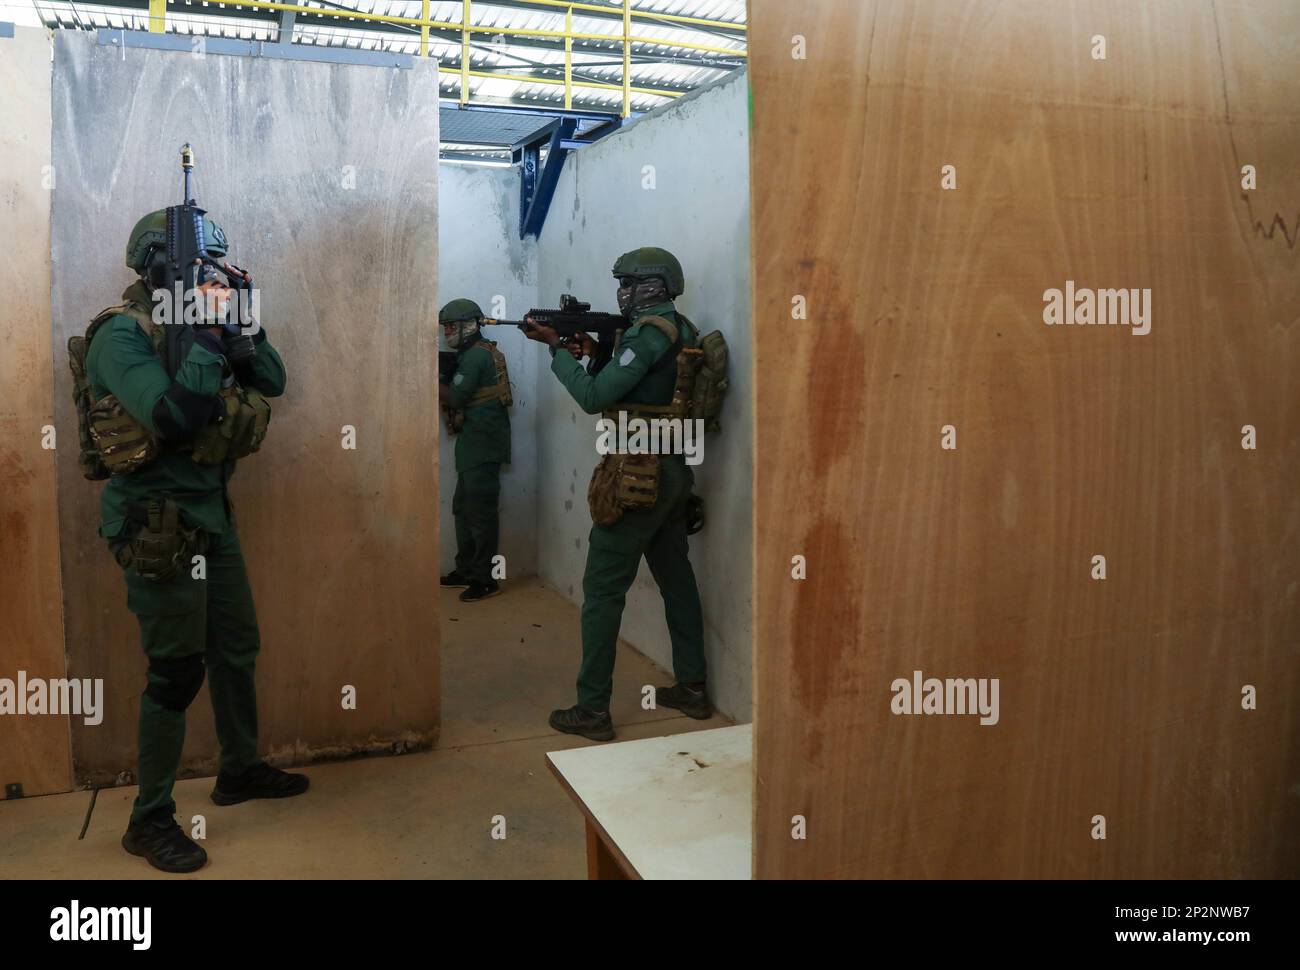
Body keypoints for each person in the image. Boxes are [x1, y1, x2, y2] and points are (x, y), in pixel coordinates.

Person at [80, 209, 305, 873]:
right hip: (157, 522)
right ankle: (149, 819)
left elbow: (273, 381)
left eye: (213, 266)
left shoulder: (206, 319)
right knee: (175, 671)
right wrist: (206, 337)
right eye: (192, 267)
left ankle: (239, 770)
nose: (205, 276)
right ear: (155, 268)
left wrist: (243, 326)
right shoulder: (121, 336)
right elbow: (174, 419)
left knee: (235, 648)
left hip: (212, 513)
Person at [524, 248, 710, 742]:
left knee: (603, 593)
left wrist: (558, 353)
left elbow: (593, 398)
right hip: (672, 474)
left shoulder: (649, 333)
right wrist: (596, 351)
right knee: (677, 580)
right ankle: (692, 688)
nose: (622, 291)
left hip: (636, 478)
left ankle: (592, 710)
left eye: (628, 282)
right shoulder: (681, 330)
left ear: (653, 285)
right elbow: (645, 390)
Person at [438, 299, 512, 602]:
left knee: (480, 513)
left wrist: (429, 374)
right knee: (463, 508)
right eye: (445, 327)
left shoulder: (475, 358)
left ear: (469, 326)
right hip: (474, 443)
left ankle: (485, 579)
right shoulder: (470, 354)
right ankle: (466, 569)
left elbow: (456, 398)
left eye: (451, 326)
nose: (447, 332)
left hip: (484, 444)